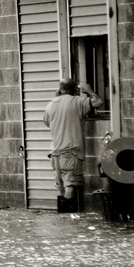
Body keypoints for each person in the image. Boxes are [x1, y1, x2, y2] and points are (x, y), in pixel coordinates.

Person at [43, 78, 105, 212]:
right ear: (75, 90)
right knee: (70, 184)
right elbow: (99, 102)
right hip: (71, 152)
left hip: (54, 152)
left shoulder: (50, 105)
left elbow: (48, 123)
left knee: (59, 184)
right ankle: (68, 218)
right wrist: (89, 91)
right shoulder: (77, 102)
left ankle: (61, 216)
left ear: (59, 89)